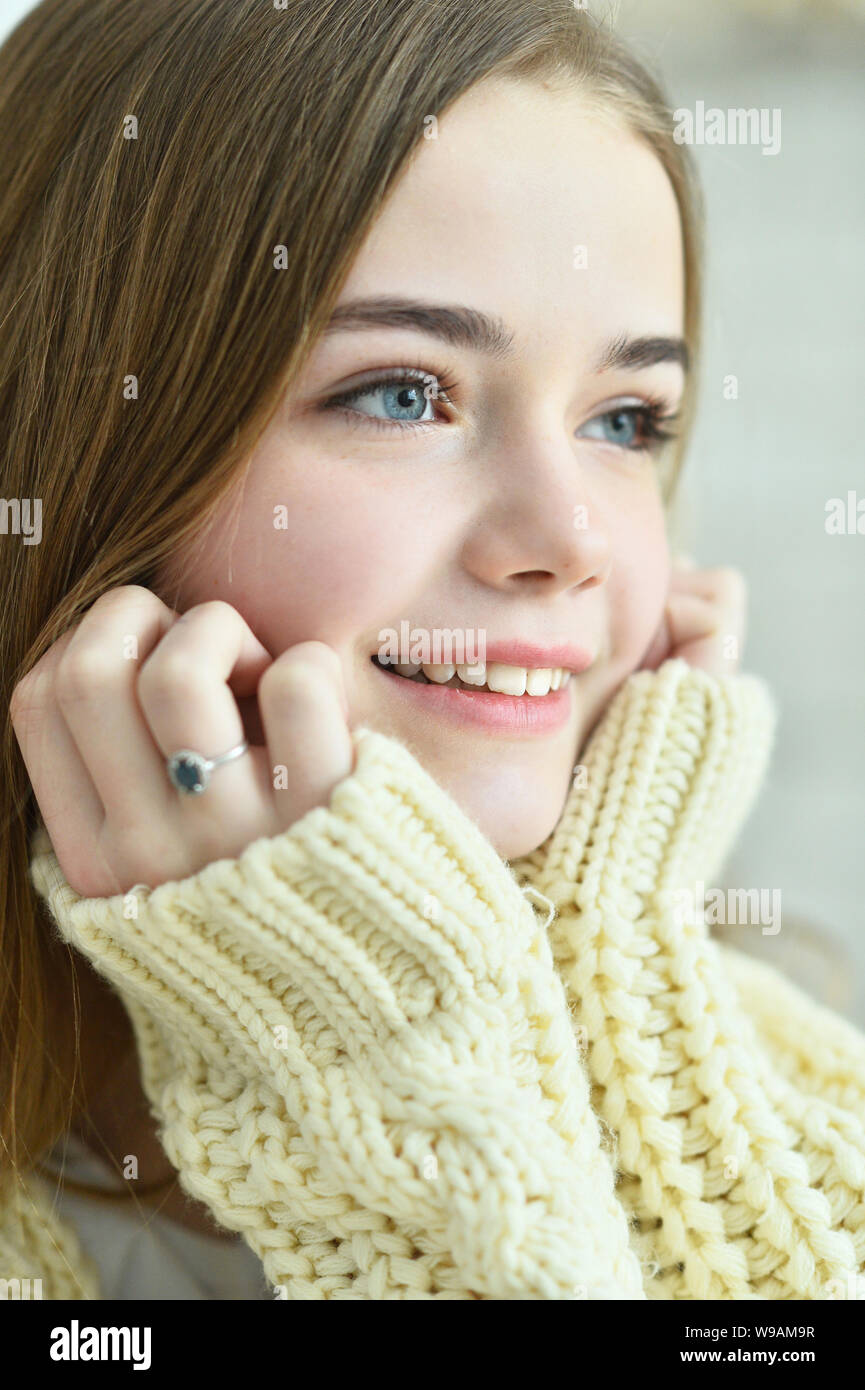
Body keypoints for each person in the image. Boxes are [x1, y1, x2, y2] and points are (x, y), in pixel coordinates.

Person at [3, 0, 864, 1301]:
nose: (568, 537)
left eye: (625, 418)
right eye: (402, 393)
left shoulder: (794, 1042)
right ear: (89, 454)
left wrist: (608, 983)